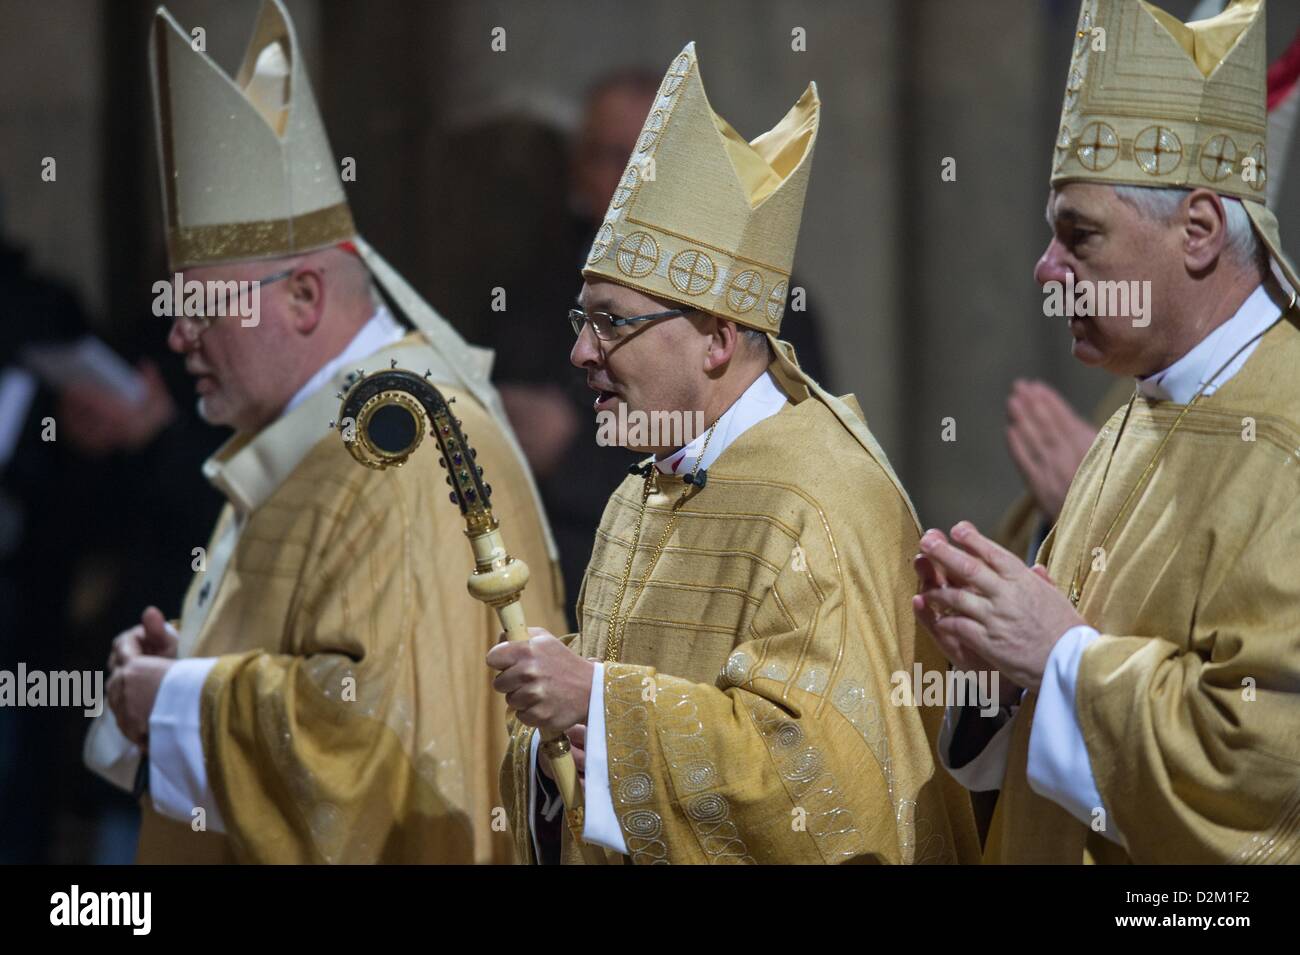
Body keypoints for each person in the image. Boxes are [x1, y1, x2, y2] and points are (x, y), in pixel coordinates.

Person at [84, 0, 565, 863]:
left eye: (201, 304)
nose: (177, 335)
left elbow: (379, 746)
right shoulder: (308, 433)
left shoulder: (402, 445)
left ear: (304, 296)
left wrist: (178, 701)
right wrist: (183, 664)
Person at [489, 42, 979, 864]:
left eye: (611, 320)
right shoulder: (638, 492)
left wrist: (599, 705)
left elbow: (823, 786)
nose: (581, 351)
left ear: (717, 338)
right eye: (583, 319)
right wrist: (555, 740)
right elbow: (585, 755)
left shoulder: (819, 496)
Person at [917, 0, 1300, 863]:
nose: (1046, 270)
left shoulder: (1285, 433)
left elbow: (1264, 758)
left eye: (1078, 236)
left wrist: (1058, 654)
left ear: (1197, 230)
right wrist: (998, 660)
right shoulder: (1143, 406)